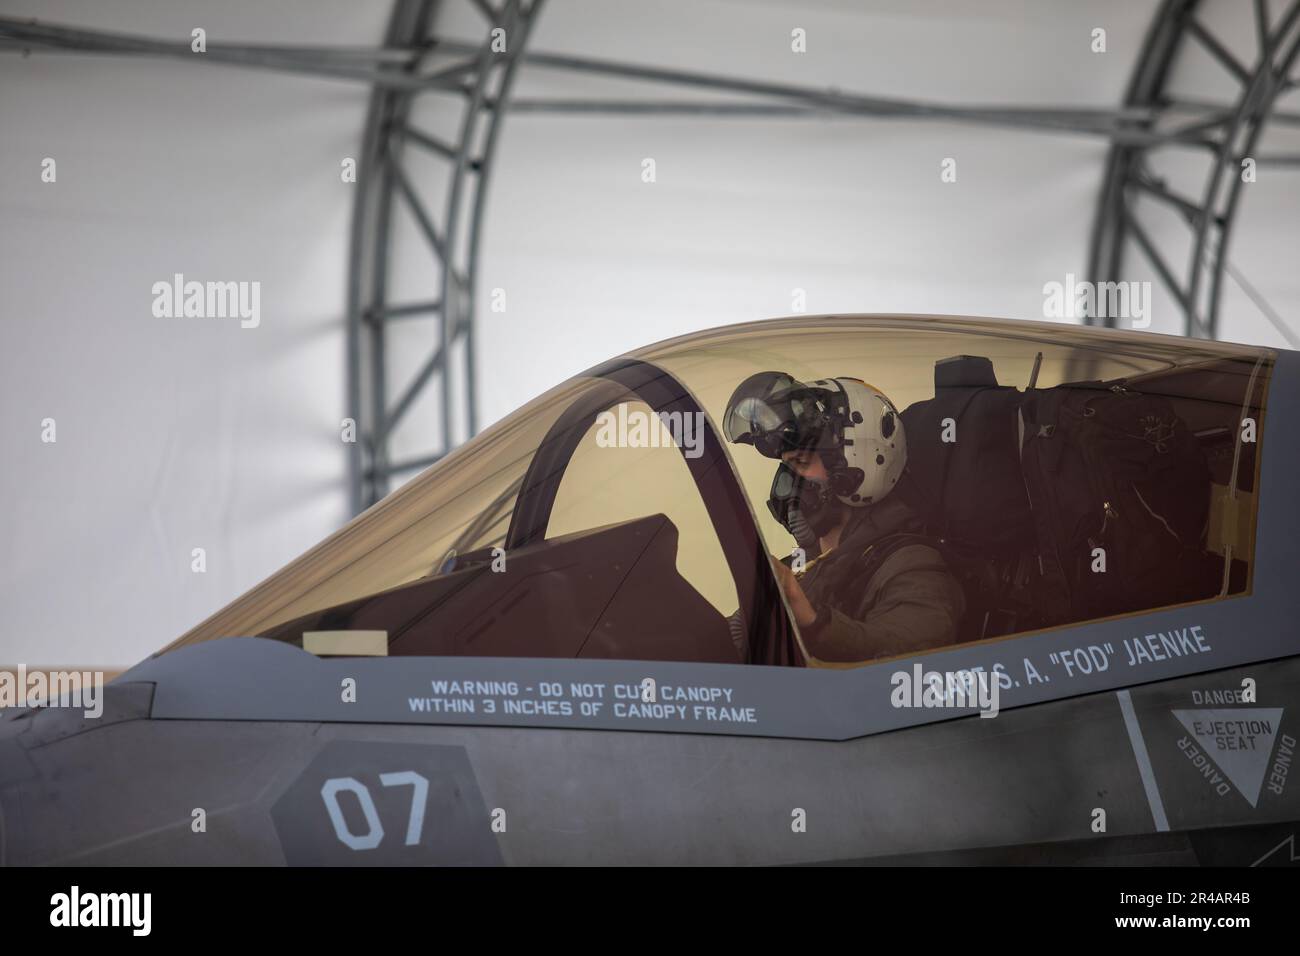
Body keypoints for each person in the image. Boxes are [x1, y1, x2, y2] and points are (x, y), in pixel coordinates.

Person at [723, 371, 965, 664]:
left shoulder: (914, 565)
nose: (793, 483)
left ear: (858, 460)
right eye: (787, 467)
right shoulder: (803, 568)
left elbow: (905, 658)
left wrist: (812, 621)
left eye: (801, 462)